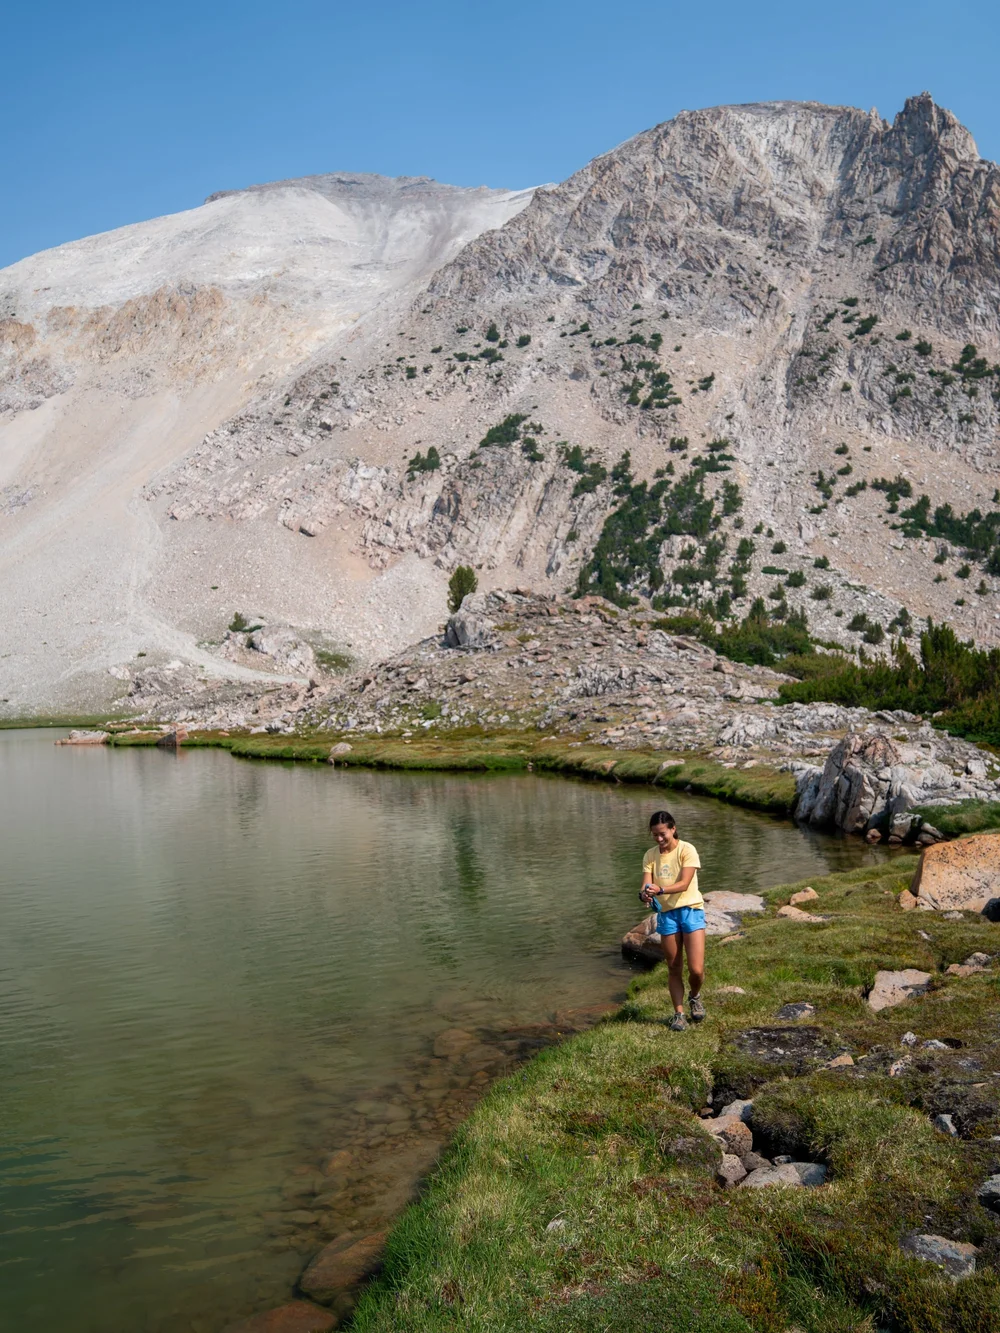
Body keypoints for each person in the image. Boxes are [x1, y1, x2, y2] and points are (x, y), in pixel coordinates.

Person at [639, 810, 705, 1031]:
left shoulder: (688, 850)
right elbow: (646, 884)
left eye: (662, 834)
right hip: (667, 915)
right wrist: (645, 894)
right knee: (674, 967)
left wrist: (661, 889)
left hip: (691, 911)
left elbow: (685, 883)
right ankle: (679, 1014)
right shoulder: (650, 855)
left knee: (696, 970)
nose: (659, 839)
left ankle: (695, 996)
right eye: (655, 835)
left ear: (673, 828)